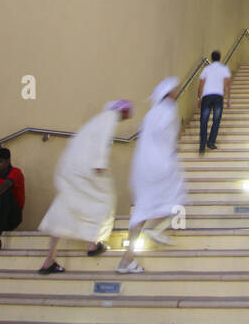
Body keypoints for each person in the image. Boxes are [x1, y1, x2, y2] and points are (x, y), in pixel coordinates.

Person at [36, 99, 133, 276]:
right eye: (128, 112)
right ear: (123, 111)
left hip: (70, 170)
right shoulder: (110, 117)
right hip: (86, 170)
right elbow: (102, 141)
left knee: (64, 206)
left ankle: (49, 260)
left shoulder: (94, 121)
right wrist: (99, 163)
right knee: (105, 200)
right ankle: (93, 243)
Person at [118, 77, 189, 274]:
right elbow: (166, 137)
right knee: (176, 197)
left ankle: (126, 260)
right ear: (169, 93)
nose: (177, 93)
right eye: (175, 90)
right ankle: (154, 228)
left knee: (141, 212)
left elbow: (142, 132)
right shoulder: (168, 108)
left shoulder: (151, 113)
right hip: (160, 165)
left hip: (141, 168)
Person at [197, 51, 231, 155]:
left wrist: (199, 98)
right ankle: (211, 142)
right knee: (216, 120)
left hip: (206, 96)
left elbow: (200, 84)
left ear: (211, 59)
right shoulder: (224, 69)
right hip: (218, 97)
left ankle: (202, 145)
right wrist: (228, 99)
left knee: (204, 121)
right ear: (220, 58)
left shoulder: (206, 69)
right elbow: (227, 85)